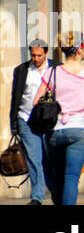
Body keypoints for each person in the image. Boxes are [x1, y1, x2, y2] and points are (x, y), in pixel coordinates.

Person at [33, 32, 84, 206]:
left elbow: (36, 101)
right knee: (71, 177)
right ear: (80, 50)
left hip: (54, 132)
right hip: (78, 131)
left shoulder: (52, 73)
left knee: (57, 179)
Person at [8, 39, 51, 204]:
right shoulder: (21, 70)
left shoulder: (56, 68)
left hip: (49, 121)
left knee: (50, 158)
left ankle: (55, 190)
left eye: (39, 55)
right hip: (26, 118)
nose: (36, 58)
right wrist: (14, 124)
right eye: (33, 55)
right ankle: (37, 197)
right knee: (34, 158)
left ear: (46, 53)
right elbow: (15, 98)